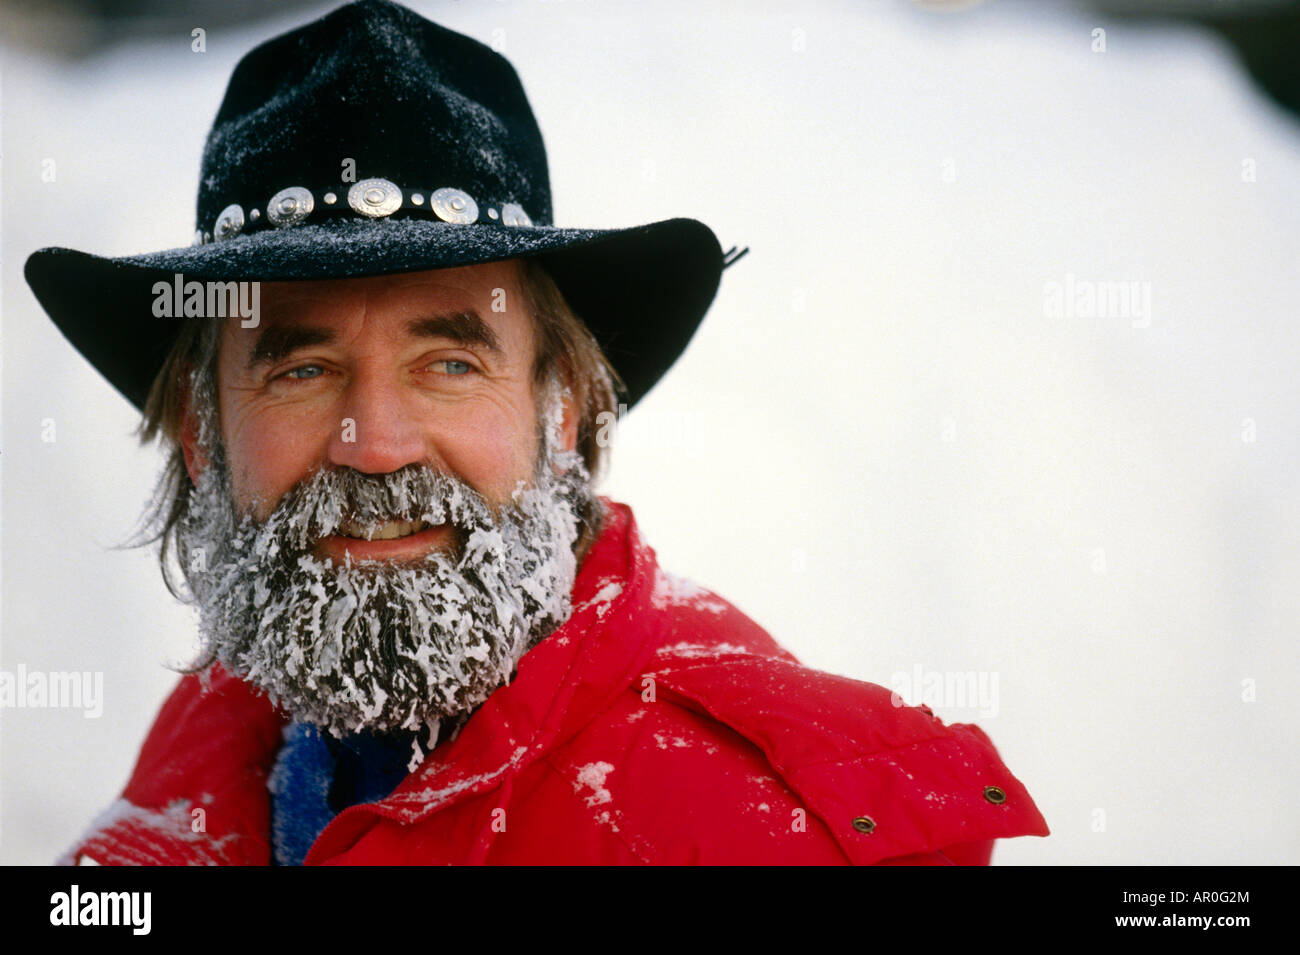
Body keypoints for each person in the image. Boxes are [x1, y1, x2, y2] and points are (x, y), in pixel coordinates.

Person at [25, 0, 1049, 865]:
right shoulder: (216, 745)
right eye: (301, 370)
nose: (374, 443)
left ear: (561, 408)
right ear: (202, 438)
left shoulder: (745, 827)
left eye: (451, 363)